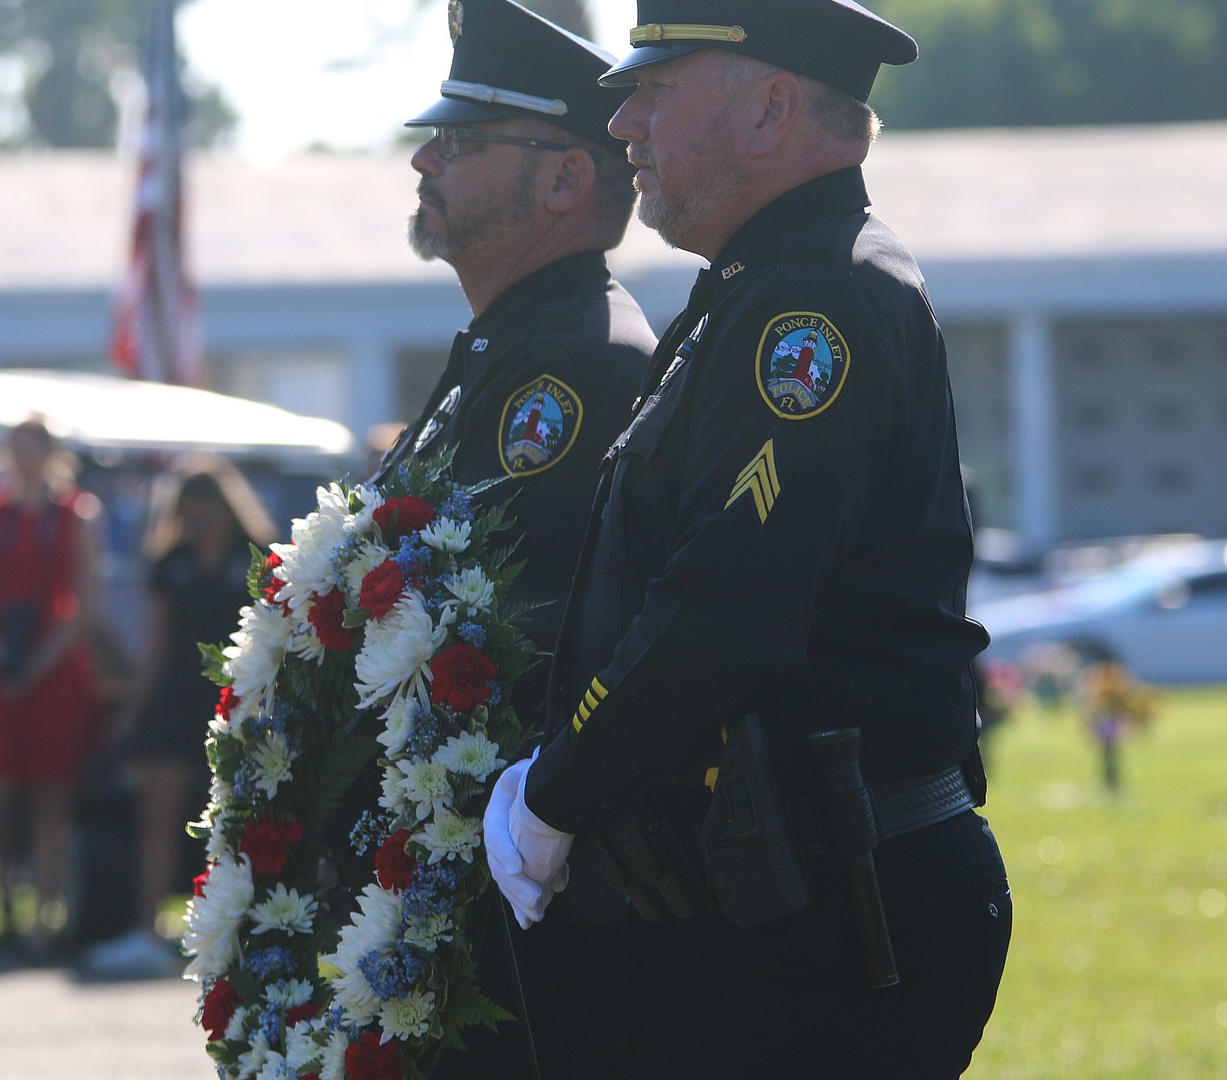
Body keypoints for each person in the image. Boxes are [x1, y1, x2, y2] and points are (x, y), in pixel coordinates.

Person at [481, 2, 1011, 1075]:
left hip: (831, 909)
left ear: (771, 110)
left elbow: (728, 604)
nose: (622, 123)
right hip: (779, 894)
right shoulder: (759, 288)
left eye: (656, 91)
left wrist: (556, 793)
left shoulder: (812, 302)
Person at [374, 1, 657, 1074]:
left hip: (514, 907)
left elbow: (502, 650)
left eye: (461, 142)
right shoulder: (510, 347)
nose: (425, 160)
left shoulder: (577, 365)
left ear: (565, 178)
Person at [82, 457, 278, 979]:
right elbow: (156, 645)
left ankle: (240, 933)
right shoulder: (170, 563)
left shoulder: (257, 557)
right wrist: (131, 713)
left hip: (240, 700)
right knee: (157, 812)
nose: (198, 518)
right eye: (189, 509)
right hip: (178, 701)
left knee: (241, 821)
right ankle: (147, 931)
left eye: (206, 507)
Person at [0, 418, 106, 957]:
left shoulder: (77, 513)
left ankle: (43, 917)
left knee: (50, 796)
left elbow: (85, 601)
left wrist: (37, 662)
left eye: (35, 448)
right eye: (18, 448)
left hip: (54, 663)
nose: (26, 457)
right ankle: (6, 886)